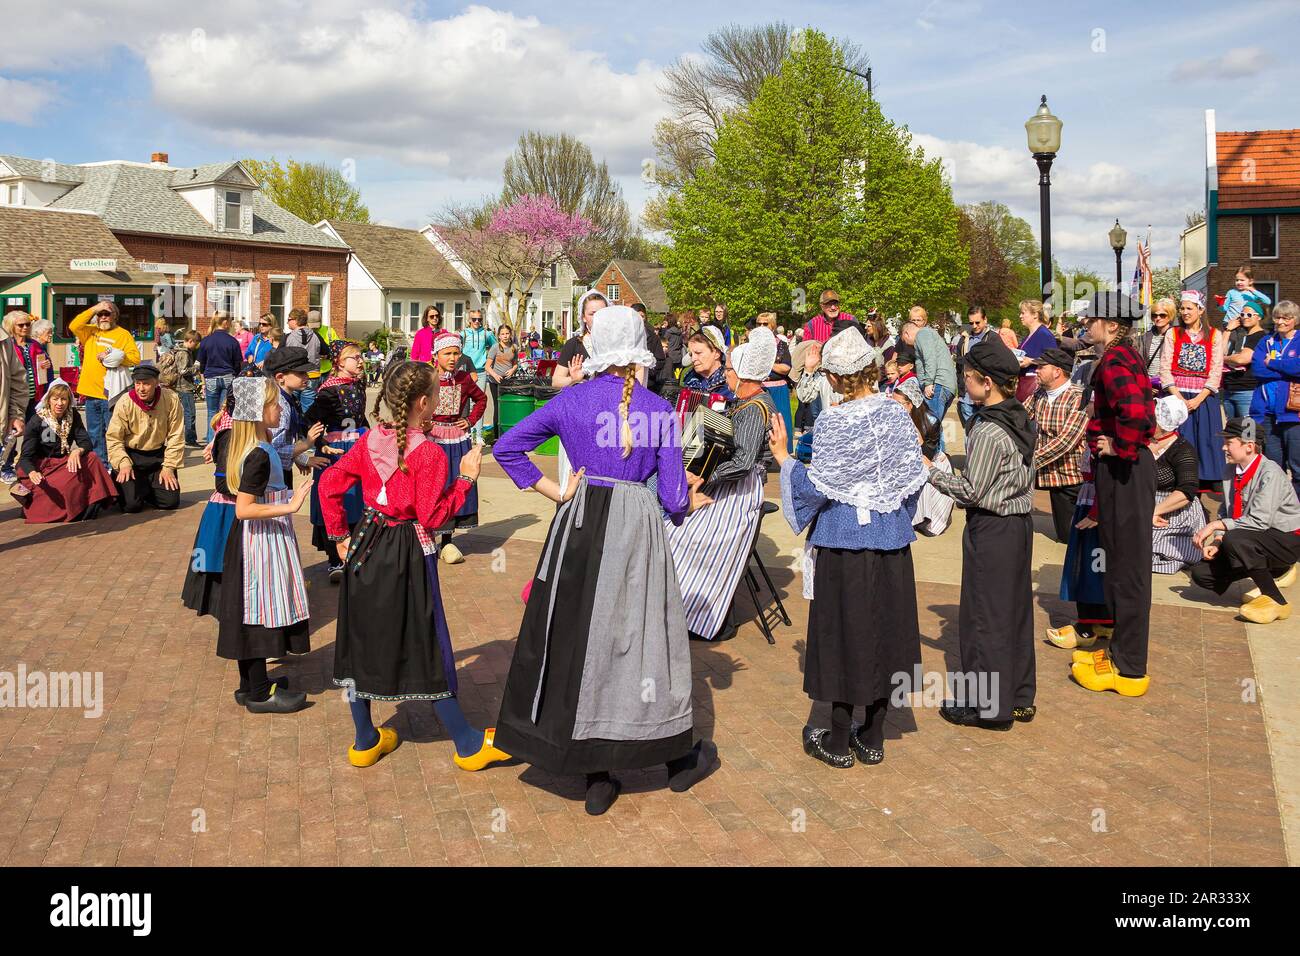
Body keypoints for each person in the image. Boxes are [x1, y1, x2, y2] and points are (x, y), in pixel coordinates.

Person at [491, 304, 718, 816]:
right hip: (636, 526)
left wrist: (556, 491)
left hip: (580, 522)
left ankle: (595, 773)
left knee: (579, 635)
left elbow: (507, 447)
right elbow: (675, 497)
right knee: (641, 639)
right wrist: (689, 499)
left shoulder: (569, 401)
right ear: (639, 349)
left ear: (597, 348)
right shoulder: (659, 411)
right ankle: (676, 758)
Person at [318, 361, 512, 770]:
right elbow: (432, 517)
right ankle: (467, 742)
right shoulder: (430, 455)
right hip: (407, 549)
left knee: (361, 638)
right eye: (438, 392)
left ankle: (365, 738)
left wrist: (338, 535)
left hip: (366, 542)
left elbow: (329, 483)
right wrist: (465, 479)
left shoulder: (371, 440)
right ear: (424, 403)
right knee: (424, 640)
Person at [773, 326, 928, 766]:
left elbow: (818, 487)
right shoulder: (898, 415)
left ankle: (839, 739)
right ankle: (874, 734)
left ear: (838, 379)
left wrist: (785, 461)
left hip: (844, 544)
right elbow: (910, 481)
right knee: (887, 630)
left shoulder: (832, 421)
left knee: (843, 634)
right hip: (891, 541)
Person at [925, 337, 1037, 729]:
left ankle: (987, 708)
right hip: (1018, 525)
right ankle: (1019, 696)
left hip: (993, 527)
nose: (964, 383)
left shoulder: (988, 431)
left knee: (985, 617)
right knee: (1014, 613)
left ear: (987, 382)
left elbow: (973, 490)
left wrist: (931, 472)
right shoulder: (1018, 414)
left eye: (968, 377)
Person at [666, 327, 778, 643]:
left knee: (687, 537)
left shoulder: (755, 408)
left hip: (739, 491)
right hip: (730, 485)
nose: (726, 376)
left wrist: (706, 477)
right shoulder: (747, 403)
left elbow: (742, 463)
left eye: (730, 370)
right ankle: (686, 610)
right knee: (674, 529)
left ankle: (708, 618)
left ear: (744, 376)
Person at [1071, 292, 1157, 698]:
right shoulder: (1124, 355)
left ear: (1110, 324)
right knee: (1122, 567)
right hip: (1123, 471)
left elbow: (1138, 413)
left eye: (1091, 321)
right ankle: (1121, 653)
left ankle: (1129, 669)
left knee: (1128, 572)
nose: (1087, 326)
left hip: (1126, 469)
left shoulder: (1117, 358)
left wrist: (1116, 446)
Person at [216, 376, 312, 714]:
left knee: (252, 608)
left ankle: (250, 684)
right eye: (273, 405)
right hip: (260, 541)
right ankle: (259, 692)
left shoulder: (257, 443)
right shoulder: (257, 453)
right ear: (257, 412)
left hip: (259, 539)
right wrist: (290, 504)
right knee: (258, 608)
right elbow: (244, 508)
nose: (279, 409)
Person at [1189, 418, 1300, 623]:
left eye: (1229, 442)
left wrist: (1215, 526)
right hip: (1252, 537)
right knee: (1202, 574)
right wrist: (1218, 540)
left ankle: (1276, 600)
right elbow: (1226, 511)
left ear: (1249, 446)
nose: (1223, 447)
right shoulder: (1231, 470)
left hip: (1285, 540)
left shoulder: (1270, 472)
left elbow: (1259, 521)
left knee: (1237, 540)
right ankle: (1271, 574)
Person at [306, 340, 370, 579]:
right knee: (338, 500)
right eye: (355, 357)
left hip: (357, 447)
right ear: (340, 363)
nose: (361, 360)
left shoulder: (358, 384)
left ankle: (357, 552)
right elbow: (310, 420)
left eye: (361, 356)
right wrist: (321, 444)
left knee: (359, 502)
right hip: (337, 451)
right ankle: (335, 559)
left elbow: (360, 419)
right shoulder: (328, 391)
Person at [421, 330, 486, 564]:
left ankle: (447, 540)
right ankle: (426, 534)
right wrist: (421, 424)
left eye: (456, 353)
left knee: (454, 483)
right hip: (432, 438)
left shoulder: (464, 379)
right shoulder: (427, 378)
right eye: (447, 353)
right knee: (432, 485)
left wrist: (469, 421)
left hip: (457, 438)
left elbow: (481, 399)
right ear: (436, 354)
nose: (452, 358)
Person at [11, 379, 116, 522]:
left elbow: (85, 442)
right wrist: (32, 472)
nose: (59, 403)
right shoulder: (37, 421)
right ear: (49, 400)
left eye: (63, 399)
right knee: (64, 486)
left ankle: (94, 502)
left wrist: (77, 451)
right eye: (55, 399)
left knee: (92, 458)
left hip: (64, 461)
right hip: (43, 467)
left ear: (69, 400)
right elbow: (25, 457)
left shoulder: (73, 415)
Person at [181, 388, 242, 619]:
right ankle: (223, 609)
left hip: (235, 503)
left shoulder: (236, 430)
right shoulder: (229, 432)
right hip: (228, 507)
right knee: (219, 559)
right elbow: (223, 481)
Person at [1161, 289, 1224, 492]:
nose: (1185, 312)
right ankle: (1179, 478)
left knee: (1206, 439)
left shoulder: (1214, 335)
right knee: (1181, 439)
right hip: (1178, 395)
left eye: (1189, 308)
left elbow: (1216, 369)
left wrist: (1199, 398)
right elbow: (1165, 367)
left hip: (1203, 397)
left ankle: (1205, 480)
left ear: (1200, 309)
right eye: (1182, 308)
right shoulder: (1173, 333)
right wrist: (1178, 397)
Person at [1026, 347, 1088, 543]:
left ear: (1057, 371)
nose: (1036, 370)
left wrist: (1027, 460)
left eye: (1041, 367)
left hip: (1073, 479)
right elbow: (1018, 417)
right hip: (1051, 477)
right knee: (1064, 537)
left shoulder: (1079, 397)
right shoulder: (1039, 393)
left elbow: (1065, 442)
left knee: (1073, 538)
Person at [104, 363, 184, 512]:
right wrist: (123, 463)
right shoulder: (125, 402)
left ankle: (146, 489)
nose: (141, 388)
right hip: (131, 457)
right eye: (137, 383)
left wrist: (169, 466)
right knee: (131, 506)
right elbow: (114, 438)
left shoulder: (171, 399)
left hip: (157, 457)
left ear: (156, 383)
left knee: (170, 502)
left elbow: (176, 436)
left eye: (146, 384)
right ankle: (126, 486)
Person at [551, 290, 608, 491]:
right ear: (584, 317)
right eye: (592, 313)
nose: (597, 318)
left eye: (602, 312)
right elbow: (556, 381)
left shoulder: (615, 345)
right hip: (578, 413)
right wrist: (575, 379)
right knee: (575, 470)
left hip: (606, 415)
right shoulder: (574, 345)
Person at [69, 300, 139, 464]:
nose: (103, 317)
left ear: (115, 315)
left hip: (112, 393)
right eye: (100, 314)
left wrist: (116, 357)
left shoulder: (123, 334)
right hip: (91, 392)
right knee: (94, 433)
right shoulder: (90, 331)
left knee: (113, 432)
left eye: (107, 313)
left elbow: (135, 358)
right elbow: (74, 325)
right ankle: (101, 465)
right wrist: (95, 308)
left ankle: (117, 463)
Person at [1148, 396, 1207, 573]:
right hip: (1142, 502)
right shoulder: (1140, 442)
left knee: (1144, 550)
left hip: (1172, 510)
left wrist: (1153, 511)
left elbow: (1186, 491)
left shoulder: (1183, 450)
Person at [1251, 300, 1300, 499]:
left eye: (1285, 318)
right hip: (1267, 414)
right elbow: (1257, 368)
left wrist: (1273, 363)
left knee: (1297, 465)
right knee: (1273, 466)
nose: (1280, 322)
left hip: (1292, 414)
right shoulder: (1267, 341)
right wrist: (1285, 368)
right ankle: (1277, 508)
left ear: (1294, 320)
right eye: (1277, 317)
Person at [892, 376, 952, 536]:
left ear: (911, 404)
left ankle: (924, 516)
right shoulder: (893, 420)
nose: (893, 408)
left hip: (929, 462)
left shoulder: (930, 421)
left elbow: (926, 454)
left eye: (898, 404)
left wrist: (912, 427)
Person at [901, 310, 958, 449]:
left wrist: (928, 383)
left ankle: (937, 462)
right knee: (935, 427)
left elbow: (930, 358)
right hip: (944, 385)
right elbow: (925, 361)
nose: (907, 344)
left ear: (906, 333)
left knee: (930, 427)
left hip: (938, 385)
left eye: (904, 340)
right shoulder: (926, 336)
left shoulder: (923, 334)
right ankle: (941, 460)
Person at [2, 312, 48, 482]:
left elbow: (45, 369)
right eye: (20, 325)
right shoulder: (7, 345)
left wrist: (46, 365)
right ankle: (5, 466)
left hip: (33, 396)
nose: (25, 328)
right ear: (11, 326)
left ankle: (25, 464)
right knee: (11, 433)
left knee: (32, 433)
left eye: (27, 324)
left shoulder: (34, 344)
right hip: (13, 397)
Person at [196, 312, 243, 439]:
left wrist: (203, 382)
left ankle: (211, 444)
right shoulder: (232, 341)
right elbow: (238, 365)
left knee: (212, 413)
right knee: (225, 413)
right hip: (228, 376)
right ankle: (221, 443)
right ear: (225, 323)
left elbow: (202, 365)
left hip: (211, 377)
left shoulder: (206, 341)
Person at [754, 311, 794, 453]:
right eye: (759, 324)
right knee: (758, 423)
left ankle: (783, 454)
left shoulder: (781, 344)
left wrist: (767, 364)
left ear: (772, 326)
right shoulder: (751, 344)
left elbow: (786, 368)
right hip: (758, 389)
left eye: (765, 324)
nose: (762, 326)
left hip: (778, 390)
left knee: (781, 422)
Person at [1222, 301, 1267, 420]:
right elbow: (1220, 351)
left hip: (1247, 391)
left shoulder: (1260, 336)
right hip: (1229, 390)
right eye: (1242, 314)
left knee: (1248, 433)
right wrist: (1227, 330)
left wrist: (1223, 359)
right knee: (1232, 434)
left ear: (1259, 317)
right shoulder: (1236, 335)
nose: (1244, 317)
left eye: (1249, 315)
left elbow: (1242, 359)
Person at [955, 306, 997, 428]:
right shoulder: (964, 339)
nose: (974, 326)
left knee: (985, 433)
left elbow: (995, 367)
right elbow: (959, 366)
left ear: (985, 320)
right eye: (971, 323)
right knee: (969, 434)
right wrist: (961, 390)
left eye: (977, 322)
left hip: (986, 395)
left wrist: (983, 391)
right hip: (967, 397)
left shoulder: (993, 339)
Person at [1016, 299, 1058, 402]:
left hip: (1035, 385)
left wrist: (1030, 361)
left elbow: (1054, 358)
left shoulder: (1044, 334)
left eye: (1023, 313)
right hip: (1024, 383)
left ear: (1035, 315)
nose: (1020, 316)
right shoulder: (1030, 335)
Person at [283, 309, 323, 411]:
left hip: (294, 375)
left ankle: (295, 426)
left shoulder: (288, 337)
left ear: (295, 321)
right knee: (308, 409)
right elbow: (326, 351)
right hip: (312, 376)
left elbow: (279, 355)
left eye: (289, 319)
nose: (287, 322)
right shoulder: (316, 335)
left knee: (291, 407)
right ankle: (308, 426)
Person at [680, 327, 734, 402]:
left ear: (717, 353)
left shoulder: (731, 384)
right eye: (691, 354)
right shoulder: (689, 381)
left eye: (698, 353)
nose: (693, 359)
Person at [485, 324, 519, 438]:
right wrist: (495, 375)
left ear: (510, 335)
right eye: (502, 334)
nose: (505, 336)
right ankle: (496, 435)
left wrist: (513, 370)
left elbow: (515, 364)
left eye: (507, 333)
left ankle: (508, 432)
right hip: (495, 380)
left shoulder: (514, 347)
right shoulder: (495, 347)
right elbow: (487, 366)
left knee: (507, 405)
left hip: (508, 380)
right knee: (497, 405)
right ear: (499, 336)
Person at [1138, 297, 1177, 391]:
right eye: (1154, 315)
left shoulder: (1176, 336)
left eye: (1162, 315)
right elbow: (1139, 364)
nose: (1158, 318)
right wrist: (1146, 384)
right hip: (1148, 385)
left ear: (1170, 316)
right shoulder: (1145, 337)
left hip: (1169, 386)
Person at [174, 329, 203, 447]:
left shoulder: (183, 351)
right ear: (190, 341)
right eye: (195, 344)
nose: (196, 346)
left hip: (184, 386)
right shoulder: (184, 353)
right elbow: (183, 370)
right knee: (190, 413)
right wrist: (196, 367)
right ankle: (190, 439)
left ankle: (189, 437)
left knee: (188, 412)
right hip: (184, 387)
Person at [309, 310, 339, 380]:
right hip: (311, 372)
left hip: (328, 371)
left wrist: (328, 356)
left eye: (316, 325)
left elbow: (338, 348)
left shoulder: (329, 331)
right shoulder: (305, 331)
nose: (314, 328)